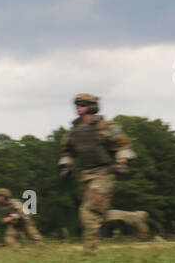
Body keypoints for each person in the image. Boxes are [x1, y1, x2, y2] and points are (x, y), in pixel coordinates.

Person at [58, 93, 135, 250]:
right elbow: (67, 150)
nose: (78, 107)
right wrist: (66, 166)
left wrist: (122, 161)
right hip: (84, 175)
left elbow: (123, 144)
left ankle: (90, 247)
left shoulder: (107, 127)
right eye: (77, 104)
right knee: (98, 213)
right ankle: (134, 218)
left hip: (103, 174)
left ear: (92, 107)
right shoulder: (73, 131)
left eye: (83, 104)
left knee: (89, 210)